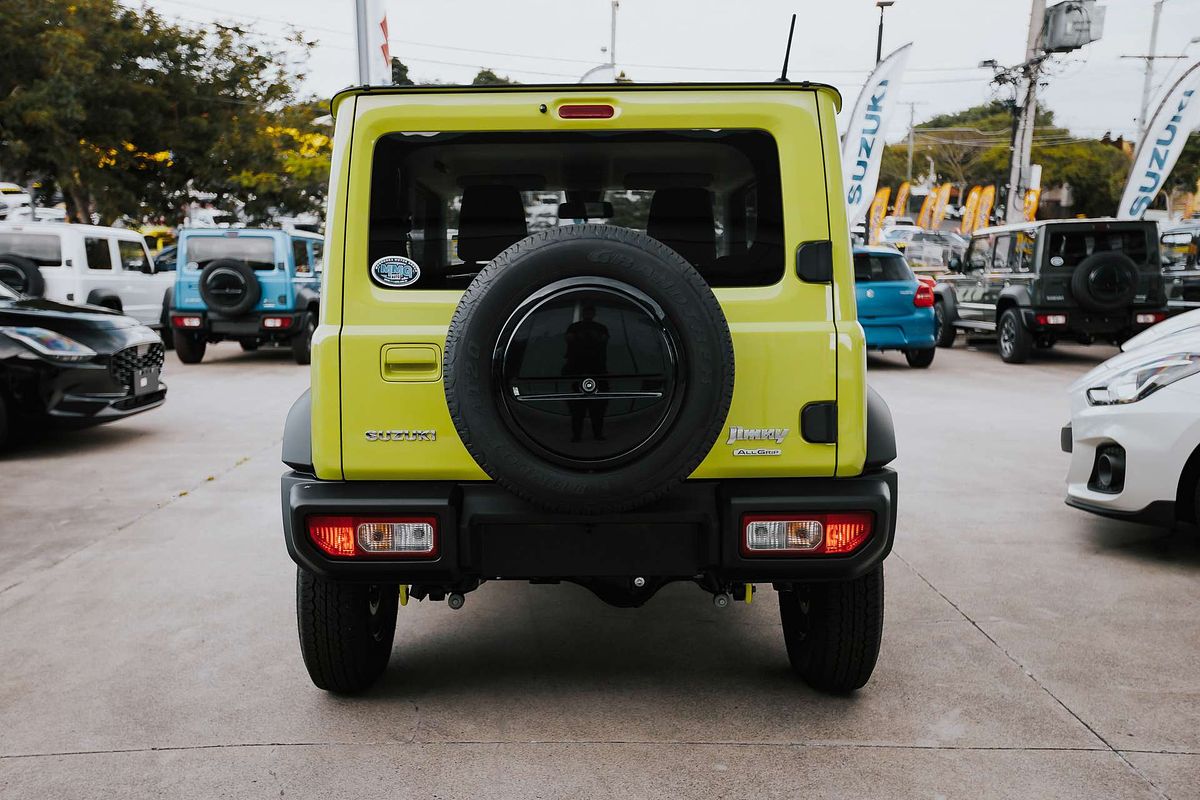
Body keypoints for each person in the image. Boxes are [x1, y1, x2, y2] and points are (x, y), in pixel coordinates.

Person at [562, 304, 609, 442]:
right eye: (587, 312)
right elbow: (568, 339)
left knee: (597, 408)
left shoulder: (599, 328)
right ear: (584, 314)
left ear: (592, 314)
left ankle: (597, 434)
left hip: (597, 370)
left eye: (590, 312)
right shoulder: (576, 328)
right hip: (579, 370)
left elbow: (604, 340)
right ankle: (578, 435)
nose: (588, 315)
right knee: (577, 408)